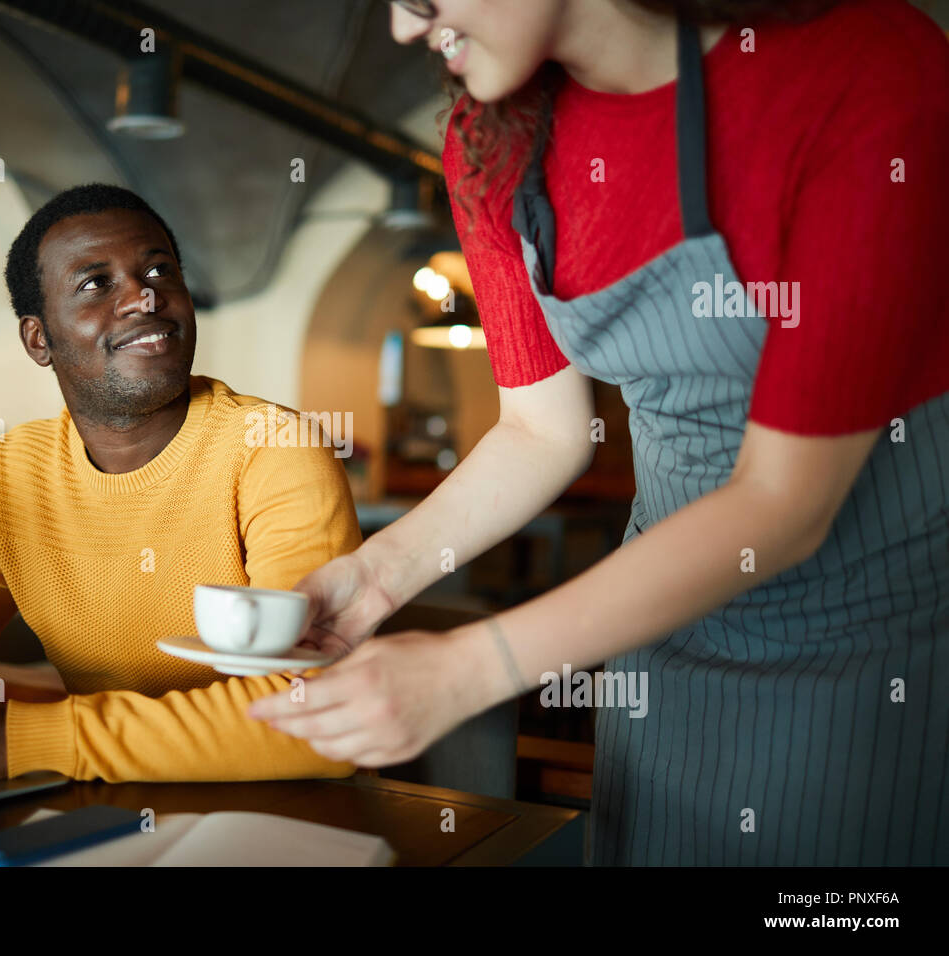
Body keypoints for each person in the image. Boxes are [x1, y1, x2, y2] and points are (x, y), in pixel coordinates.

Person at [251, 0, 949, 865]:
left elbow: (784, 503)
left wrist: (468, 670)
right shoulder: (490, 145)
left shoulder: (863, 64)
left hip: (873, 644)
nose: (401, 26)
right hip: (658, 633)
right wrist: (375, 578)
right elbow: (542, 432)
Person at [0, 184, 361, 788]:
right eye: (96, 283)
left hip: (286, 817)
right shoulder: (20, 466)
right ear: (38, 339)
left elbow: (314, 715)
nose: (144, 295)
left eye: (159, 271)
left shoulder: (275, 449)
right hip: (103, 809)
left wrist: (26, 739)